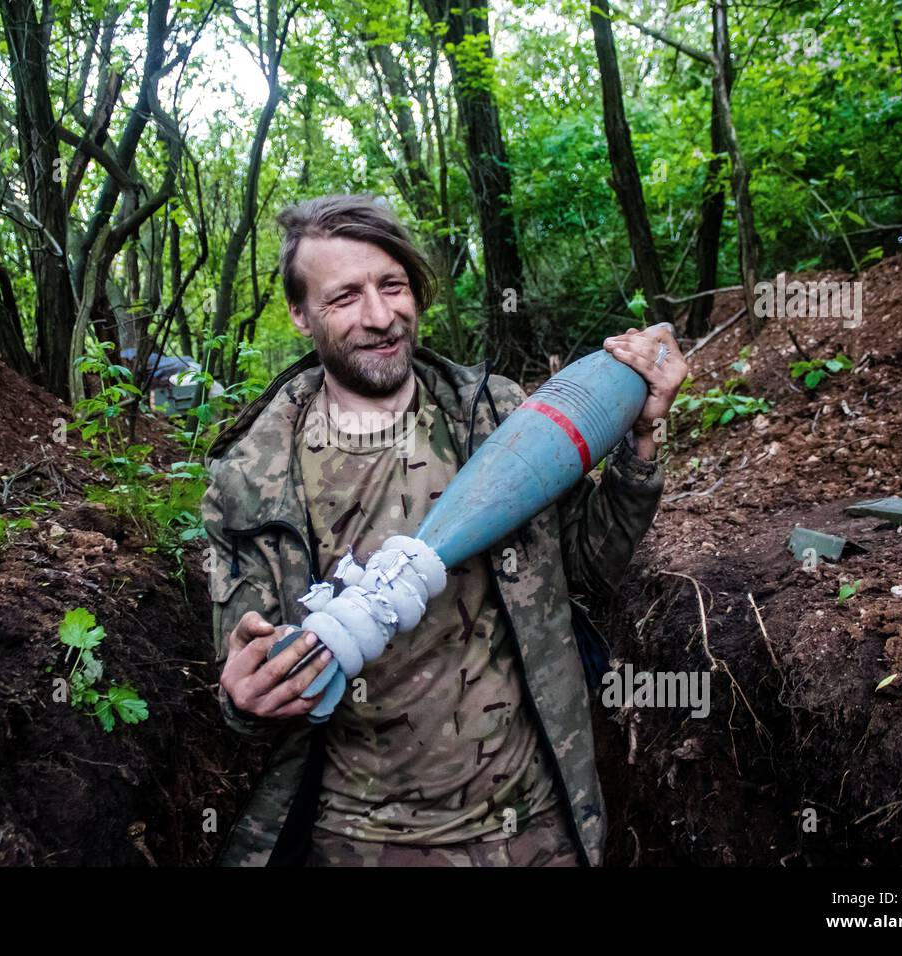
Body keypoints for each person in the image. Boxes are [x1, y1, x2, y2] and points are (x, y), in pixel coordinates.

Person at [202, 193, 687, 866]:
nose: (380, 317)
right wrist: (247, 696)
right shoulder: (252, 478)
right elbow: (247, 674)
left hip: (535, 829)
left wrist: (639, 442)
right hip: (358, 843)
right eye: (344, 298)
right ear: (300, 314)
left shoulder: (500, 415)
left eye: (393, 285)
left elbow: (591, 567)